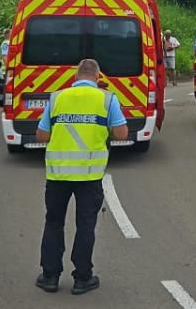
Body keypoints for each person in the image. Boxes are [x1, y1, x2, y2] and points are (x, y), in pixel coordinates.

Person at [34, 59, 129, 295]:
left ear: (75, 77)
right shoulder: (107, 99)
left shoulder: (57, 98)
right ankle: (82, 278)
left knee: (54, 222)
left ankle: (49, 276)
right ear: (97, 77)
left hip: (58, 174)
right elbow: (121, 133)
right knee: (85, 225)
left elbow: (41, 136)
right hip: (89, 176)